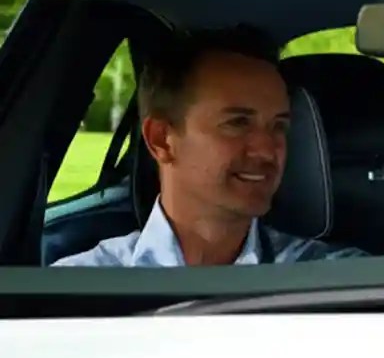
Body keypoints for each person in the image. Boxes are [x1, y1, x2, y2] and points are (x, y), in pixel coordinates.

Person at [54, 25, 367, 267]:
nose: (267, 150)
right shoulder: (80, 289)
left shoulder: (338, 282)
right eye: (238, 123)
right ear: (162, 140)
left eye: (278, 126)